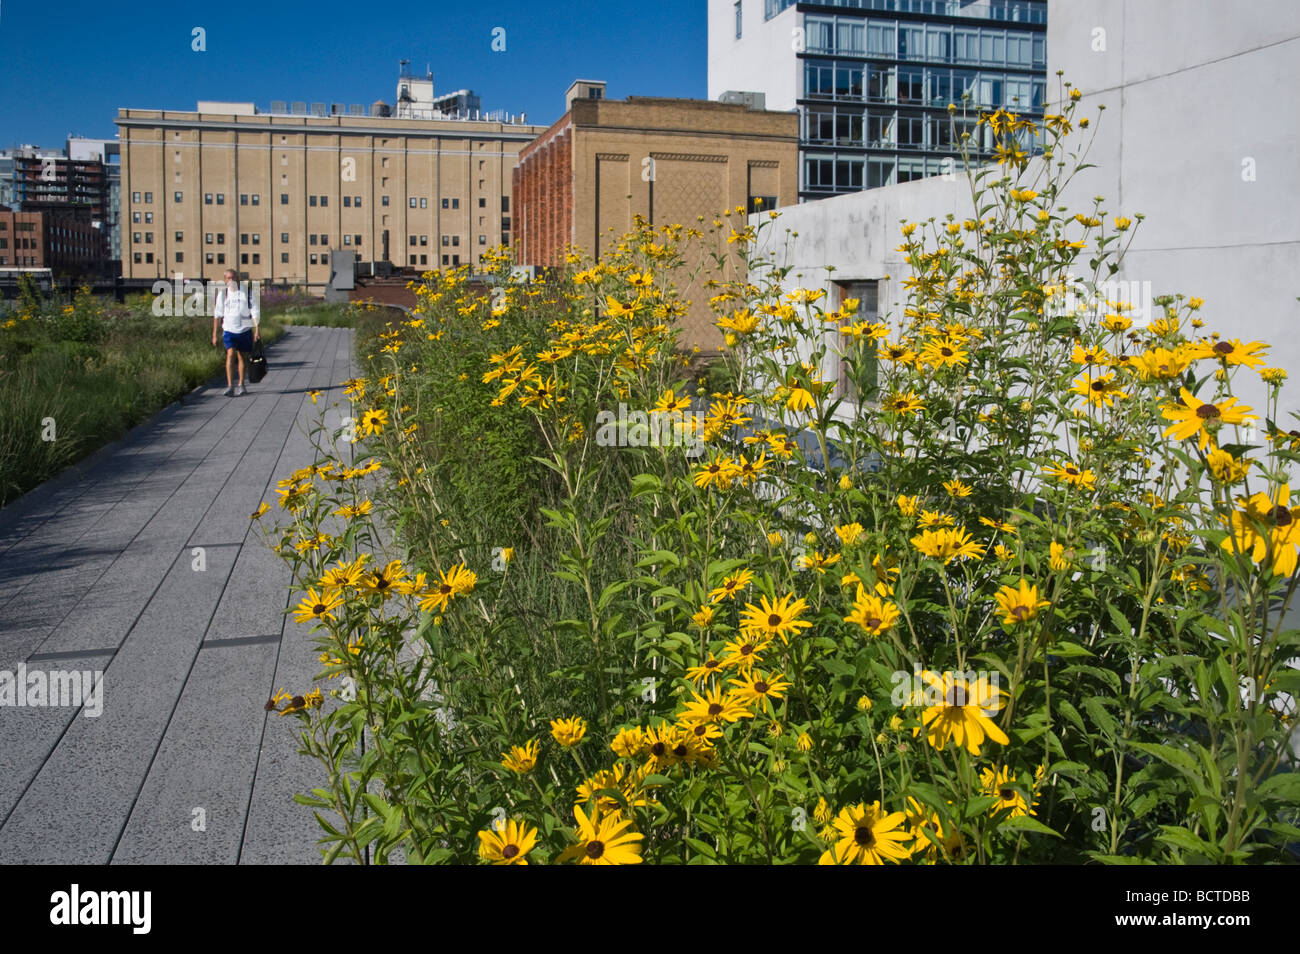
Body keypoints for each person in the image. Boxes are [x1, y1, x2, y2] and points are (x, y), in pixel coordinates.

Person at [211, 269, 260, 396]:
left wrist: (257, 330)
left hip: (244, 329)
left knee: (242, 357)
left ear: (237, 278)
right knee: (230, 354)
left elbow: (254, 311)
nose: (231, 280)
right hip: (228, 330)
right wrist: (214, 334)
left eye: (233, 277)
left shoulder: (247, 292)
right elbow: (217, 315)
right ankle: (229, 385)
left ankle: (241, 384)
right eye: (228, 278)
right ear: (225, 280)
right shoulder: (223, 294)